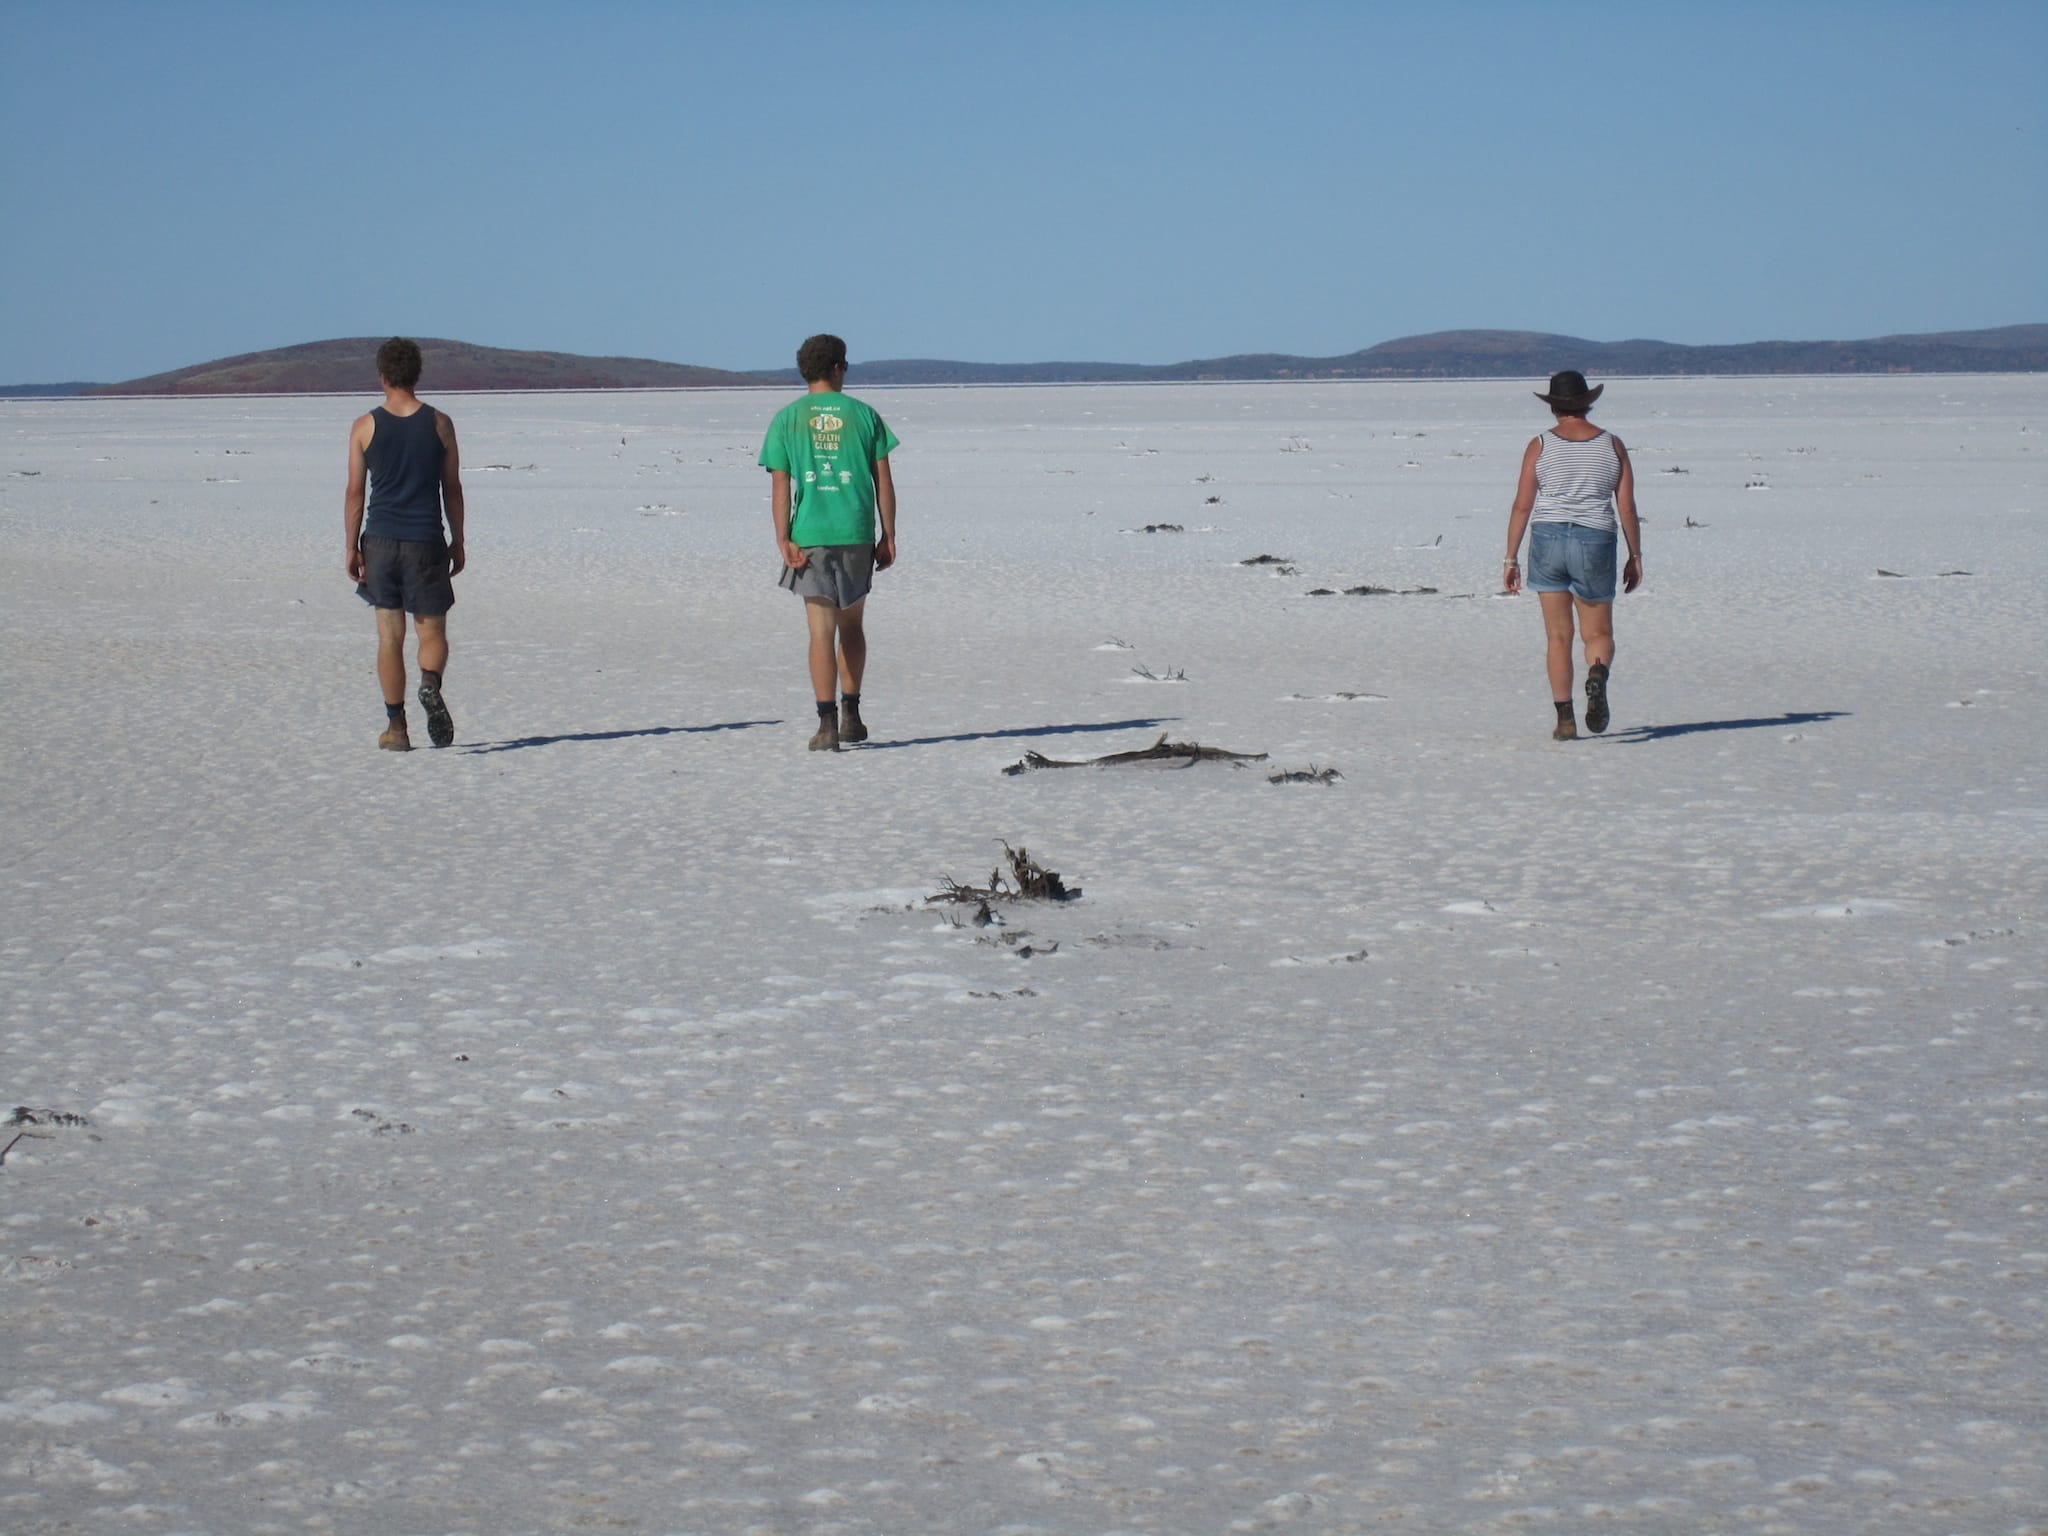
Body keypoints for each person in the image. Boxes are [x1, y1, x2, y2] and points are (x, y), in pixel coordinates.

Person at [759, 334, 899, 751]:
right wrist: (888, 534)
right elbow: (884, 482)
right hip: (855, 533)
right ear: (838, 367)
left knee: (820, 632)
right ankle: (851, 713)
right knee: (852, 625)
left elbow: (781, 488)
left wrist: (782, 537)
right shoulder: (864, 415)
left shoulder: (787, 419)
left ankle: (827, 725)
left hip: (811, 536)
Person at [1502, 370, 1642, 739]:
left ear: (1554, 407)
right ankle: (1597, 673)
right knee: (1598, 632)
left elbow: (1521, 506)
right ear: (1587, 402)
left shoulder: (1540, 445)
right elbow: (1626, 507)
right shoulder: (1612, 444)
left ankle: (1565, 720)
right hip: (1595, 538)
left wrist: (1510, 558)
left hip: (1548, 538)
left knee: (1558, 637)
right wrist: (1635, 556)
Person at [344, 337, 465, 751]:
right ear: (417, 374)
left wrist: (351, 546)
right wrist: (459, 539)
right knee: (431, 632)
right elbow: (452, 488)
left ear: (382, 377)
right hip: (425, 540)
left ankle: (397, 728)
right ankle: (430, 682)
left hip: (380, 541)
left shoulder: (365, 426)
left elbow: (355, 492)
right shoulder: (439, 423)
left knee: (389, 638)